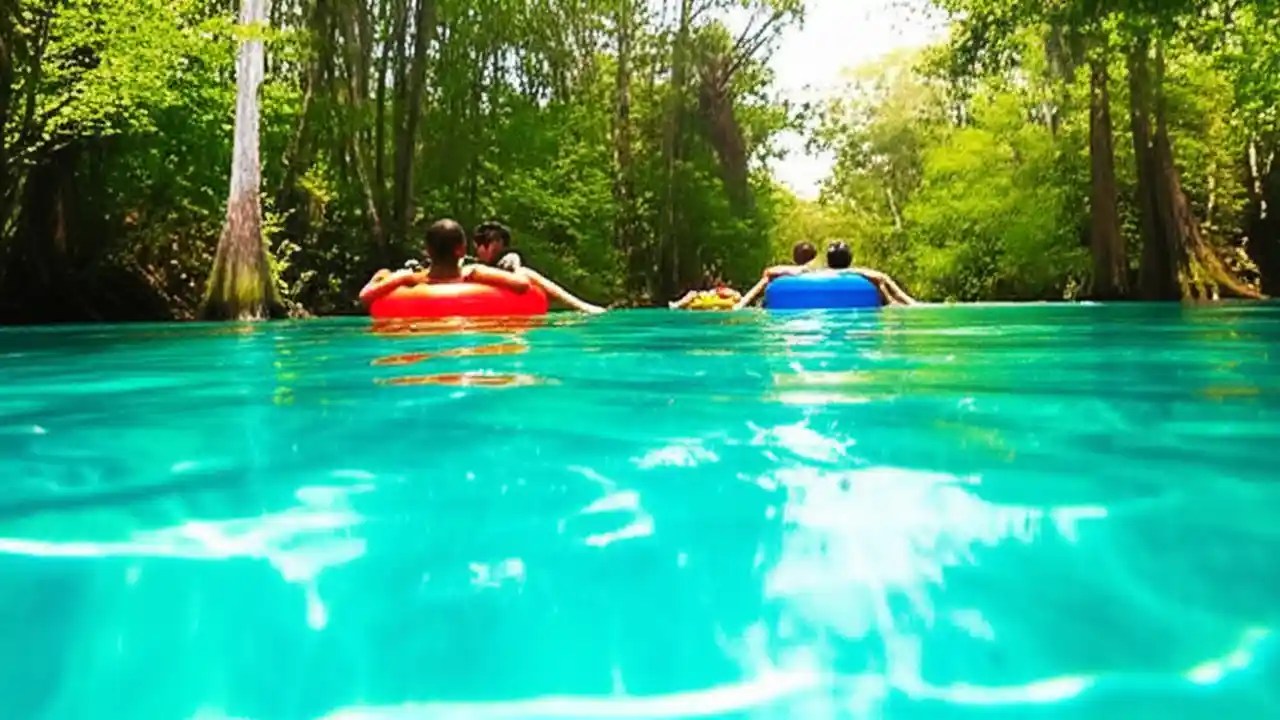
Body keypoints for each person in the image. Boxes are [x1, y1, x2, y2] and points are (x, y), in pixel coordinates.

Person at [359, 219, 529, 306]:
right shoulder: (473, 273)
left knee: (383, 271)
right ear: (462, 250)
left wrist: (379, 276)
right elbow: (522, 284)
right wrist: (516, 267)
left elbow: (365, 297)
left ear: (428, 251)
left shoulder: (409, 278)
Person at [734, 240, 918, 308]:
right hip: (862, 311)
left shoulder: (802, 273)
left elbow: (768, 274)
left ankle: (741, 305)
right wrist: (909, 302)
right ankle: (907, 305)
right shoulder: (860, 276)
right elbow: (882, 278)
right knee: (882, 289)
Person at [472, 221, 606, 314]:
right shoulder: (471, 265)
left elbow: (516, 271)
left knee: (523, 271)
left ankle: (582, 306)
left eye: (498, 243)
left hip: (509, 301)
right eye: (491, 243)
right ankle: (582, 306)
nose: (494, 249)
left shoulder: (509, 259)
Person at [733, 241, 821, 309]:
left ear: (794, 257)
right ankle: (743, 302)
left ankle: (743, 302)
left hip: (783, 308)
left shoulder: (799, 271)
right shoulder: (819, 272)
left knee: (767, 278)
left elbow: (768, 272)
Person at [669, 272, 742, 309]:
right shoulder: (713, 290)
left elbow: (737, 296)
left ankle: (677, 305)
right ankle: (677, 304)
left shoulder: (723, 290)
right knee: (693, 293)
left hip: (713, 300)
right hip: (706, 299)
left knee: (693, 293)